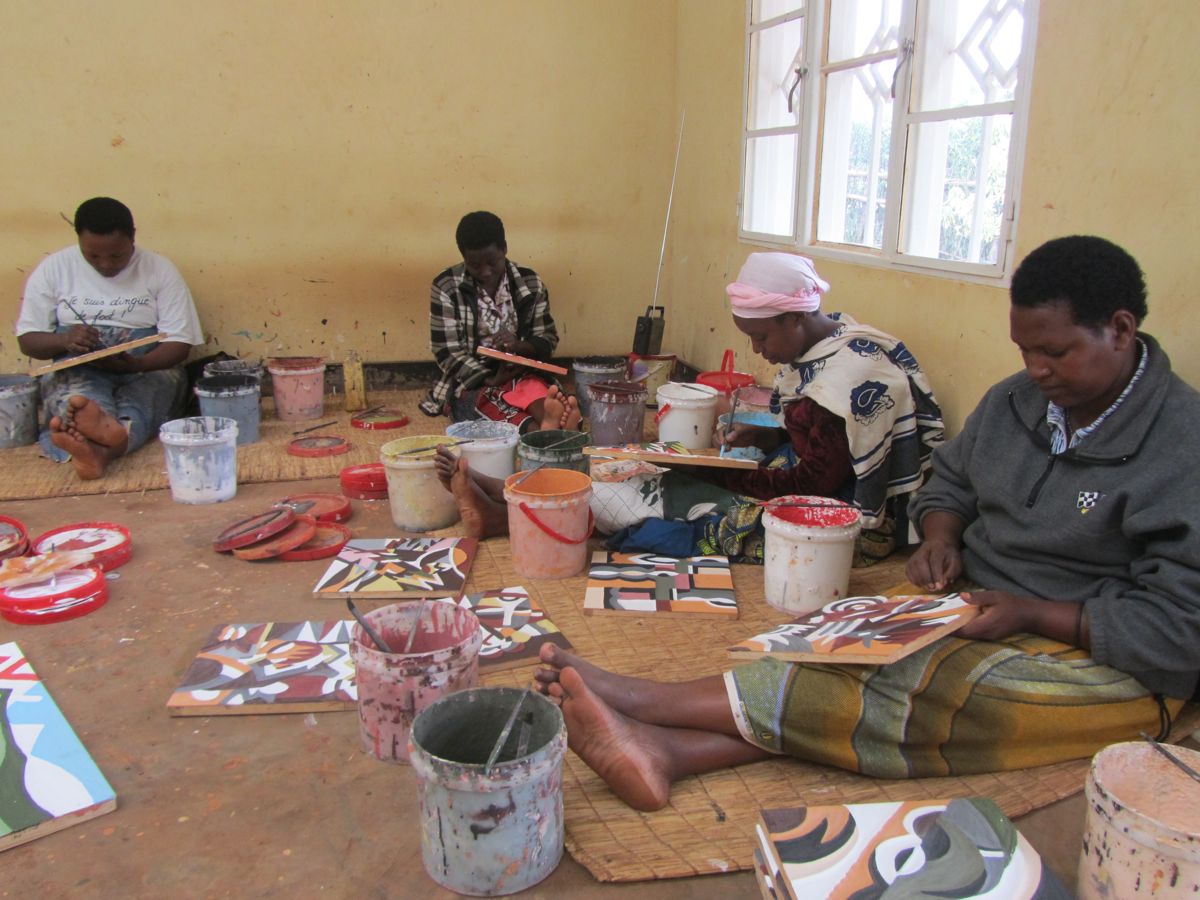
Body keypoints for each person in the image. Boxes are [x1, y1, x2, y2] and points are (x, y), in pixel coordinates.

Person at [530, 235, 1200, 812]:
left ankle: (648, 703)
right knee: (830, 646)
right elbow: (954, 480)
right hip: (977, 607)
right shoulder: (1019, 402)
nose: (1035, 369)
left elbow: (1181, 635)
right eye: (1025, 351)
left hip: (1104, 661)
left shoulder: (1182, 447)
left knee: (926, 694)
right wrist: (939, 536)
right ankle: (666, 753)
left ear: (1119, 327)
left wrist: (1036, 614)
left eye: (1054, 352)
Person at [592, 251, 944, 565]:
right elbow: (819, 443)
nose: (757, 350)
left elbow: (813, 485)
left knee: (722, 524)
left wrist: (709, 471)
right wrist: (765, 436)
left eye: (760, 337)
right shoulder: (825, 343)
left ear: (794, 318)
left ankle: (675, 527)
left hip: (845, 514)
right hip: (821, 476)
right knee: (695, 478)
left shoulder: (845, 381)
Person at [16, 197, 204, 480]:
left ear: (133, 238)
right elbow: (28, 340)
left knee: (147, 398)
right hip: (78, 365)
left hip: (146, 364)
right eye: (93, 256)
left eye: (116, 256)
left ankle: (98, 447)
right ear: (78, 240)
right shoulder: (54, 268)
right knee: (79, 402)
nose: (105, 264)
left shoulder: (159, 269)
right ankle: (104, 437)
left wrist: (133, 365)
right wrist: (65, 340)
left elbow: (179, 345)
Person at [418, 210, 579, 432]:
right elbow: (447, 352)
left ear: (504, 248)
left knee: (534, 389)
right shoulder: (447, 286)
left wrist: (520, 346)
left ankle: (551, 422)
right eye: (475, 265)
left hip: (520, 371)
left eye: (492, 262)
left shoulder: (530, 282)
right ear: (463, 257)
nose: (485, 271)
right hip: (473, 380)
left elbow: (547, 338)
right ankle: (539, 431)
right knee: (488, 402)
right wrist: (489, 378)